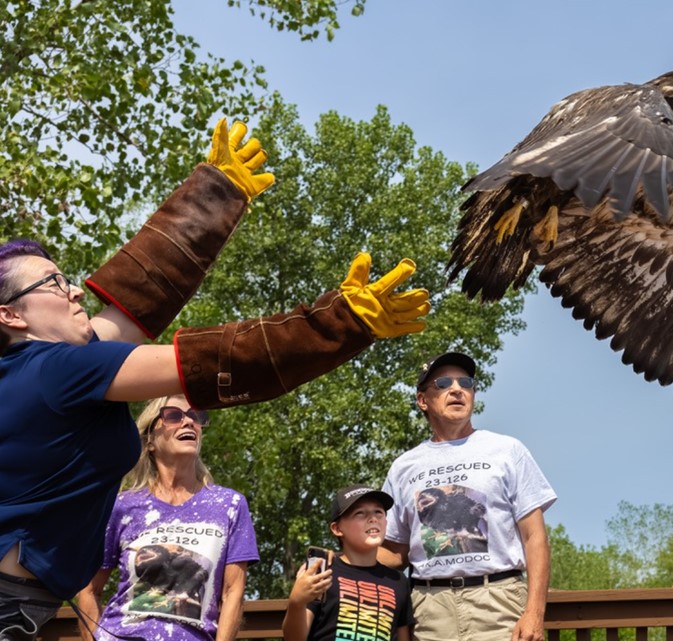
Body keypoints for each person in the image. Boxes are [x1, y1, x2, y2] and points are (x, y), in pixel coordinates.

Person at [0, 118, 430, 640]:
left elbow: (137, 300)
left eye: (67, 279)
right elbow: (212, 363)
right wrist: (340, 324)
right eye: (52, 283)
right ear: (11, 315)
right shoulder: (58, 369)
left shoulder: (36, 371)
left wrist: (214, 196)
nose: (73, 290)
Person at [379, 352, 556, 641]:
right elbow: (396, 551)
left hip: (498, 603)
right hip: (430, 608)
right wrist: (339, 561)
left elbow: (534, 537)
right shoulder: (403, 467)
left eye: (465, 383)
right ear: (423, 400)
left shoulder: (507, 450)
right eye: (444, 383)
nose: (457, 389)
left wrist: (535, 612)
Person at [74, 394, 258, 641]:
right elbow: (88, 589)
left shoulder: (229, 505)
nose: (188, 422)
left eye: (195, 416)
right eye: (173, 416)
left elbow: (232, 592)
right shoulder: (122, 506)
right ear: (150, 440)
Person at [283, 485, 412, 641]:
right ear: (337, 528)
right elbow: (293, 638)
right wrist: (296, 602)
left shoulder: (398, 581)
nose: (373, 518)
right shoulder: (322, 572)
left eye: (378, 512)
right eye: (360, 513)